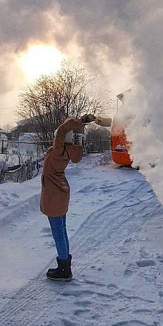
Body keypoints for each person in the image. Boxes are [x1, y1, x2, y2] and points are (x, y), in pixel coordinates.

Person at [40, 114, 96, 281]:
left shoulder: (58, 151)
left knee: (58, 233)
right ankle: (65, 265)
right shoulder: (64, 151)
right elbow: (64, 133)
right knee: (61, 230)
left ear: (61, 138)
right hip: (59, 194)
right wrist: (79, 124)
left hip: (54, 196)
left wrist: (81, 121)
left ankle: (64, 269)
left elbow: (63, 130)